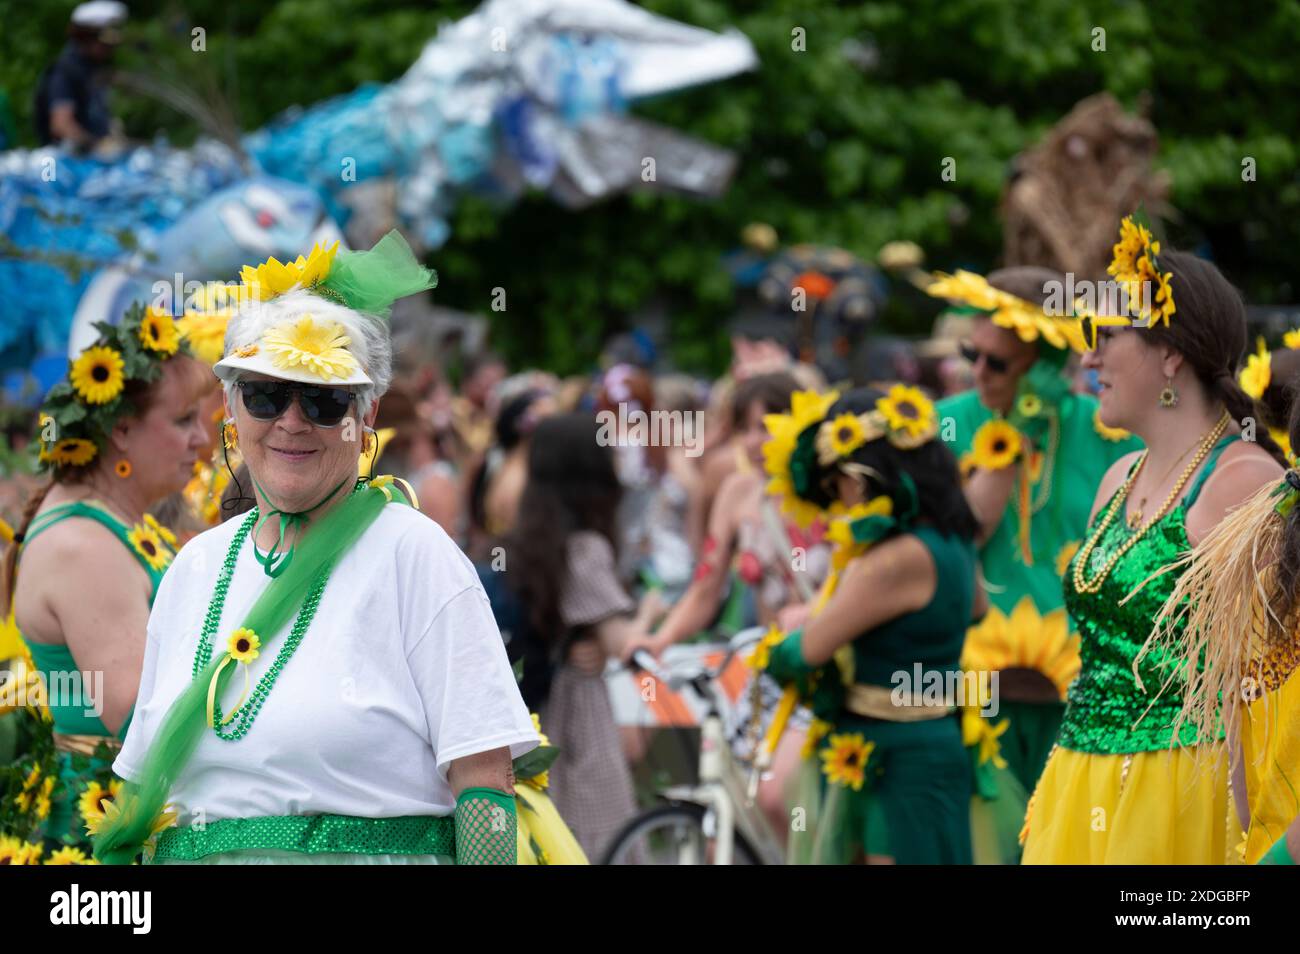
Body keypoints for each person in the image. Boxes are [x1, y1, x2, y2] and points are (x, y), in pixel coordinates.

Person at [92, 232, 582, 865]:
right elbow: (141, 788)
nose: (292, 422)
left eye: (324, 401)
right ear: (230, 407)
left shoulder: (415, 554)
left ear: (367, 413)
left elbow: (483, 784)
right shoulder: (195, 567)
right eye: (265, 395)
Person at [1021, 217, 1285, 864]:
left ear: (1170, 353)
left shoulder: (1244, 481)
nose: (1088, 357)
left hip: (1179, 791)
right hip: (1077, 777)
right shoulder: (1118, 478)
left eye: (1105, 336)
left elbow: (1272, 680)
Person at [932, 266, 1142, 826]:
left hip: (1083, 695)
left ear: (1046, 364)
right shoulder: (946, 425)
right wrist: (1015, 432)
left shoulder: (1108, 433)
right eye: (969, 353)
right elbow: (962, 532)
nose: (977, 372)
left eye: (996, 363)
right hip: (974, 689)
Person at [0, 305, 210, 865]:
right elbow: (138, 713)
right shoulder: (84, 547)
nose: (202, 438)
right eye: (184, 419)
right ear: (121, 430)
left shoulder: (111, 520)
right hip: (109, 827)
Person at [759, 384, 983, 864]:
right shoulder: (953, 537)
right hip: (932, 743)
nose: (839, 501)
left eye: (836, 483)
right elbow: (978, 609)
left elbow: (808, 651)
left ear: (861, 476)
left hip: (892, 759)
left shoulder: (893, 559)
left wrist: (774, 649)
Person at [623, 372, 831, 839]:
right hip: (770, 669)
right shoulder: (739, 493)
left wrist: (818, 615)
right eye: (747, 427)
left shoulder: (831, 491)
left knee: (780, 798)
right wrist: (661, 638)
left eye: (770, 423)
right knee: (731, 806)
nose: (757, 440)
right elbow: (704, 587)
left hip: (828, 665)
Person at [499, 413, 658, 861]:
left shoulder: (525, 542)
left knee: (553, 824)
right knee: (598, 826)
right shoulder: (586, 549)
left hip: (540, 707)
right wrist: (650, 611)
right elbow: (621, 641)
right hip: (581, 709)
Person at [34, 1, 127, 151]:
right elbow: (60, 125)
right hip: (68, 165)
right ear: (86, 38)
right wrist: (97, 145)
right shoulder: (66, 71)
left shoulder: (93, 69)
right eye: (104, 43)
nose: (110, 49)